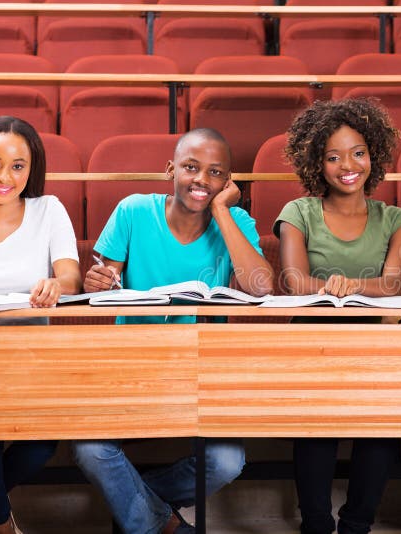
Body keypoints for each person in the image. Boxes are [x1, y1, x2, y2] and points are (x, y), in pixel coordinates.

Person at [72, 128, 274, 534]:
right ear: (171, 169)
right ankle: (164, 524)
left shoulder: (235, 221)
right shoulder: (134, 211)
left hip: (202, 367)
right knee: (90, 448)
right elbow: (106, 277)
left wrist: (220, 212)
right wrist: (98, 281)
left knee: (227, 461)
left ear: (227, 181)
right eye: (191, 168)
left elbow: (261, 286)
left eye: (215, 173)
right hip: (133, 361)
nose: (201, 180)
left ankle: (135, 503)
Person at [274, 98, 401, 534]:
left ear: (373, 154)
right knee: (317, 430)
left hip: (378, 346)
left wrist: (346, 286)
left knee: (380, 432)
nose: (347, 165)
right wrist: (338, 287)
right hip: (314, 346)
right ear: (317, 162)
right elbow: (295, 281)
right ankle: (316, 524)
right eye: (333, 156)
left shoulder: (396, 218)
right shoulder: (300, 212)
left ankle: (356, 525)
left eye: (357, 153)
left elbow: (392, 285)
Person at [0, 116, 82, 534]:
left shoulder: (49, 210)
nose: (4, 177)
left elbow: (72, 278)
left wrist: (54, 284)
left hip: (32, 351)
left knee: (42, 444)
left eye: (17, 166)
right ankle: (3, 523)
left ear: (32, 168)